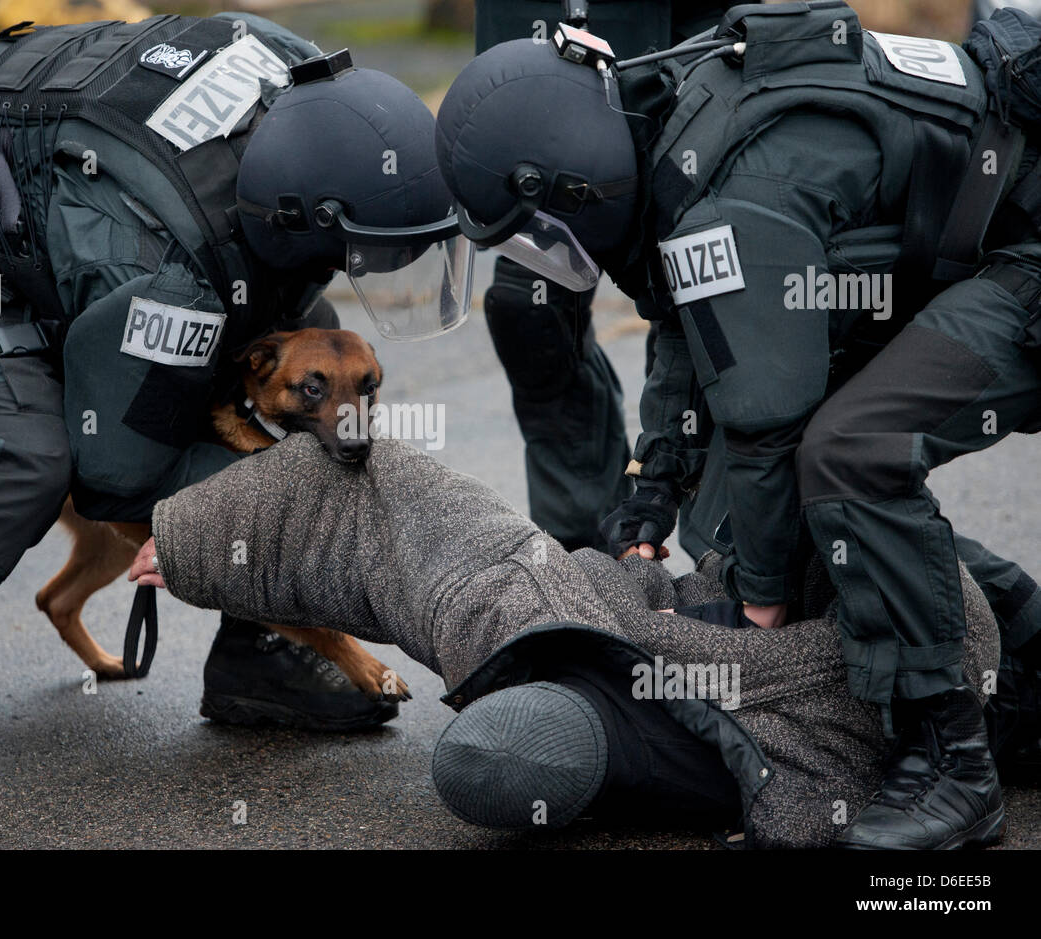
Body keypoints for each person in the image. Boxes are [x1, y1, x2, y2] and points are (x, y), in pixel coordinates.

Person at [0, 12, 471, 793]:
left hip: (58, 226)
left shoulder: (312, 92)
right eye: (361, 250)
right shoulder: (172, 272)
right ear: (301, 212)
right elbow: (117, 477)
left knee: (304, 358)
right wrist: (237, 518)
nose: (365, 269)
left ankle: (259, 658)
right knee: (33, 456)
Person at [431, 1, 1041, 848]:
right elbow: (697, 325)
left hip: (1027, 244)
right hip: (980, 226)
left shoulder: (740, 190)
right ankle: (1027, 667)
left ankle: (954, 763)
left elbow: (765, 420)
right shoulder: (666, 122)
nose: (547, 252)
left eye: (538, 229)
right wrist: (654, 488)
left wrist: (758, 604)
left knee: (848, 456)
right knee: (745, 511)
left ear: (569, 185)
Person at [127, 431, 999, 848]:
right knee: (431, 518)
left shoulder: (922, 630)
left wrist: (656, 622)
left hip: (651, 680)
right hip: (627, 635)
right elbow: (387, 498)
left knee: (507, 731)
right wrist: (198, 540)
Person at [470, 0, 754, 551]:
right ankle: (588, 547)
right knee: (526, 308)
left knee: (697, 303)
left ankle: (720, 547)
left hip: (689, 29)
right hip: (535, 21)